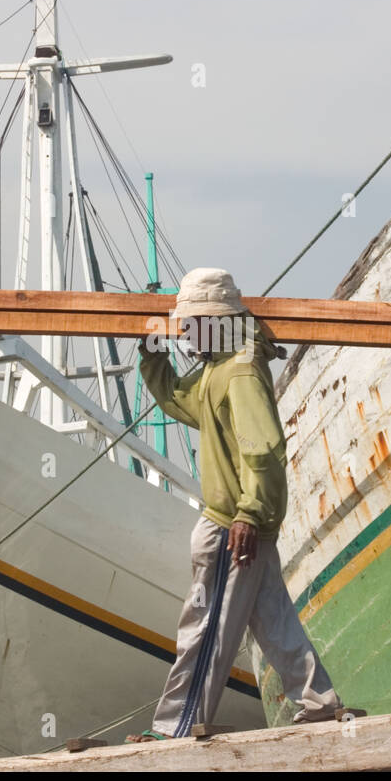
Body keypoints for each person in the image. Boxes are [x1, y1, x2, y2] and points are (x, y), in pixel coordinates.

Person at [126, 268, 360, 742]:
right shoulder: (220, 367)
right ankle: (318, 703)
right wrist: (151, 355)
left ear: (215, 321)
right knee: (272, 617)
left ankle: (177, 727)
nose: (185, 332)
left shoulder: (239, 371)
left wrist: (248, 513)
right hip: (244, 521)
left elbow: (263, 446)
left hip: (231, 522)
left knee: (205, 625)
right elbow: (178, 400)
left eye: (191, 323)